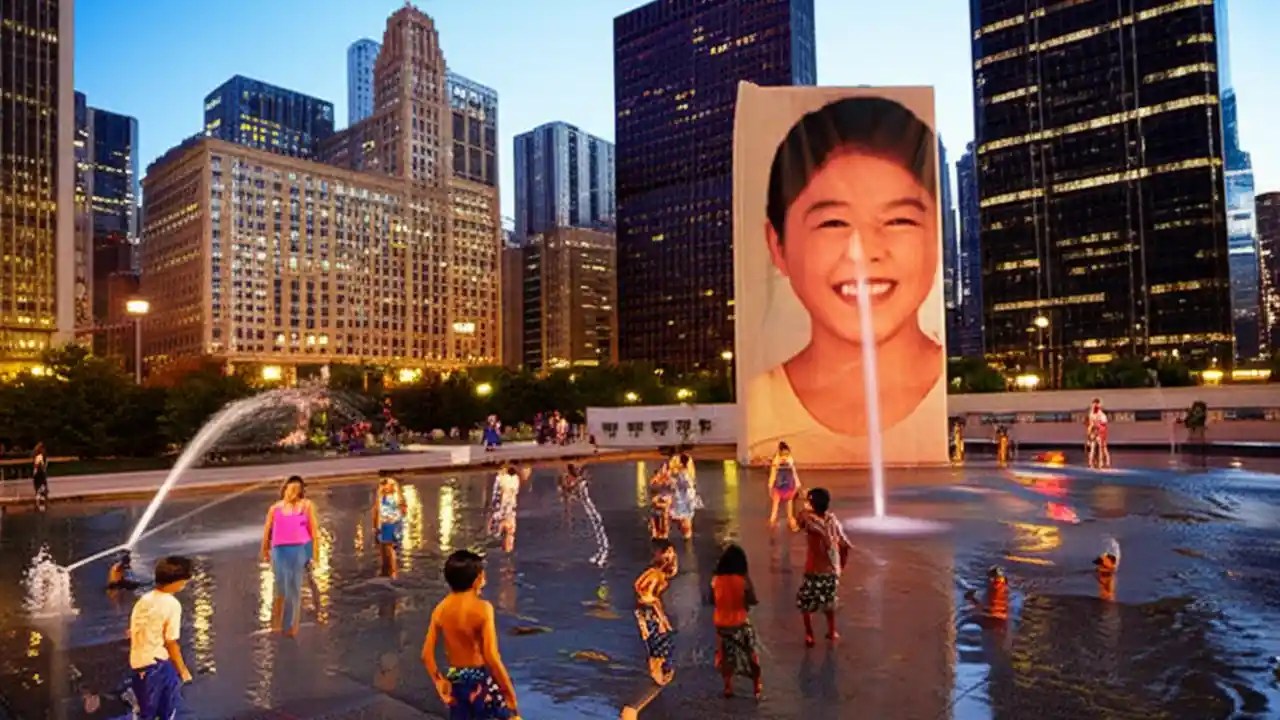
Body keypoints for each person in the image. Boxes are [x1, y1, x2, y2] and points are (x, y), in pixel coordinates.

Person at [746, 96, 947, 465]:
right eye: (833, 223)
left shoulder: (949, 398)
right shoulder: (757, 409)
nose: (863, 252)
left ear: (937, 238)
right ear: (778, 245)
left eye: (899, 221)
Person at [421, 550, 520, 720]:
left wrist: (439, 682)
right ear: (477, 580)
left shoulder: (440, 609)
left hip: (456, 679)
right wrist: (508, 692)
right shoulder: (483, 609)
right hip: (479, 680)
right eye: (483, 575)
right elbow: (491, 656)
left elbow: (426, 655)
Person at [126, 555, 194, 720]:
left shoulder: (144, 600)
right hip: (157, 664)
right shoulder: (172, 604)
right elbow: (171, 642)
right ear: (178, 582)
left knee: (146, 712)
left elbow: (132, 631)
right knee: (167, 710)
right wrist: (183, 670)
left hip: (137, 663)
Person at [260, 475, 319, 636]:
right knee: (280, 588)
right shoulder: (275, 509)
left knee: (294, 588)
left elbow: (313, 530)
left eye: (297, 489)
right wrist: (264, 549)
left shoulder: (306, 506)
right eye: (291, 488)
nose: (293, 492)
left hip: (299, 548)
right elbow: (267, 530)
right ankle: (276, 624)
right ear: (284, 489)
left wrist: (315, 553)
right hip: (279, 549)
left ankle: (293, 626)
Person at [793, 487, 851, 647]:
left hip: (813, 569)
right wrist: (841, 567)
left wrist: (796, 500)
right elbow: (845, 545)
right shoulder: (832, 521)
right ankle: (832, 631)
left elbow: (798, 520)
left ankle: (809, 634)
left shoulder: (810, 521)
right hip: (831, 570)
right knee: (829, 602)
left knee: (806, 602)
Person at [710, 544, 763, 699]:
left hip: (722, 625)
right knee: (751, 652)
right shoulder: (743, 580)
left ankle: (728, 686)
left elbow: (711, 599)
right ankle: (756, 685)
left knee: (726, 656)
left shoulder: (715, 580)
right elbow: (753, 599)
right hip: (740, 622)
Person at [634, 539, 678, 686]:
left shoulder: (651, 573)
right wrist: (662, 619)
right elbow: (649, 597)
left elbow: (638, 588)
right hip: (650, 612)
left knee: (656, 644)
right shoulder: (657, 575)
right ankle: (658, 673)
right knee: (661, 643)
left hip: (645, 611)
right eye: (670, 554)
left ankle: (659, 672)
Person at [373, 472, 408, 579]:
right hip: (387, 523)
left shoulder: (390, 491)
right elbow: (377, 510)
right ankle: (387, 569)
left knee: (388, 547)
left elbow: (379, 509)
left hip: (389, 523)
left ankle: (391, 570)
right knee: (384, 547)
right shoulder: (387, 490)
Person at [767, 442, 801, 530]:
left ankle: (775, 523)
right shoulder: (783, 462)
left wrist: (770, 488)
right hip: (784, 489)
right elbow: (773, 476)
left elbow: (793, 475)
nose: (785, 457)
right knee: (781, 510)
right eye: (784, 455)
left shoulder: (779, 462)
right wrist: (797, 486)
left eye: (787, 455)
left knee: (781, 510)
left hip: (784, 489)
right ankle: (787, 523)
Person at [488, 466, 521, 552]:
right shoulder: (512, 529)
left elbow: (493, 518)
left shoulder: (495, 531)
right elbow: (512, 514)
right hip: (510, 497)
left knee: (503, 475)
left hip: (500, 499)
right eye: (512, 543)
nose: (511, 541)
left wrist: (503, 524)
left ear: (503, 542)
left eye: (509, 543)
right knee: (512, 475)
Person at [668, 455, 699, 539]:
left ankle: (678, 457)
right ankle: (677, 458)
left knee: (684, 473)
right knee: (682, 473)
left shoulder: (683, 514)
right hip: (682, 489)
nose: (690, 525)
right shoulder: (676, 514)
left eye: (688, 527)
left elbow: (690, 501)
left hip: (683, 490)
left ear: (684, 526)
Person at [648, 465, 674, 540]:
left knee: (665, 516)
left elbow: (672, 491)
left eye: (665, 470)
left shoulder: (670, 480)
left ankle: (664, 534)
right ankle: (655, 532)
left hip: (666, 503)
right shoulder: (656, 479)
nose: (663, 471)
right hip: (657, 503)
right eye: (662, 469)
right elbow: (651, 489)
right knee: (655, 516)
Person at [1087, 399, 1111, 468]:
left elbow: (1104, 424)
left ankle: (1103, 463)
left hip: (1100, 433)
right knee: (1093, 448)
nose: (1094, 406)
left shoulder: (1101, 414)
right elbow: (1090, 424)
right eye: (1093, 404)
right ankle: (1091, 463)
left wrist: (1097, 425)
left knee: (1102, 448)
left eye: (1096, 404)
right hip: (1094, 433)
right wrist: (1089, 435)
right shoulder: (1091, 414)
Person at [32, 442, 49, 509]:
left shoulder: (38, 456)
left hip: (38, 474)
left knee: (39, 489)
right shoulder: (39, 457)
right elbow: (39, 466)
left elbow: (37, 466)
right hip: (40, 474)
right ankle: (41, 503)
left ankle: (39, 503)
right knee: (42, 488)